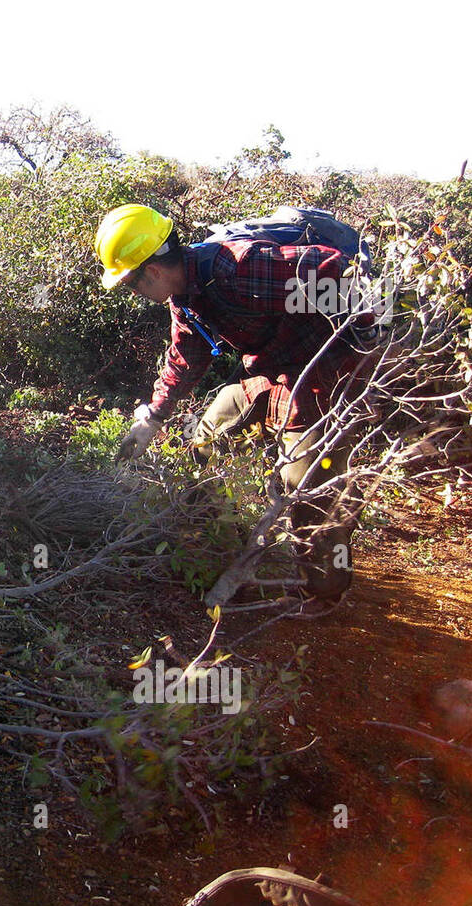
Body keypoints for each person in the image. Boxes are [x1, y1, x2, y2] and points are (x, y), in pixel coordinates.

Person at [95, 203, 373, 615]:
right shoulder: (186, 294)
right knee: (209, 433)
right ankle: (216, 543)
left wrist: (361, 343)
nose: (136, 295)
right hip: (277, 368)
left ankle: (323, 592)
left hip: (326, 371)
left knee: (307, 484)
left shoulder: (241, 269)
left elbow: (343, 273)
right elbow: (186, 357)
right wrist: (153, 417)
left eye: (132, 285)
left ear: (152, 271)